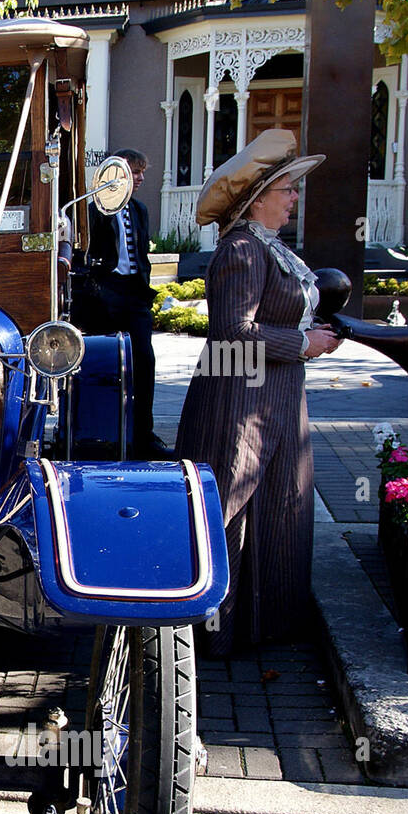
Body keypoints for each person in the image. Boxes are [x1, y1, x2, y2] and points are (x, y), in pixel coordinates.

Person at [174, 129, 340, 657]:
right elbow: (231, 334)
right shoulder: (242, 251)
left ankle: (262, 623)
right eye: (287, 189)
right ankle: (210, 629)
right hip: (240, 401)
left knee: (276, 500)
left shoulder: (272, 248)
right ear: (257, 197)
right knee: (232, 501)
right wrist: (303, 343)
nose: (295, 198)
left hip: (276, 396)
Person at [86, 148, 170, 458]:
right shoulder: (94, 209)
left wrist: (145, 289)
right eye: (135, 172)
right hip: (103, 295)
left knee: (144, 362)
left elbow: (142, 256)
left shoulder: (140, 209)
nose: (141, 178)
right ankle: (102, 435)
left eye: (142, 172)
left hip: (134, 295)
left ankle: (143, 436)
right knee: (105, 364)